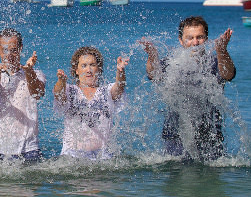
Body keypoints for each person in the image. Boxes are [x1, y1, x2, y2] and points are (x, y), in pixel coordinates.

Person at [140, 16, 235, 161]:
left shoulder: (215, 62)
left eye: (200, 37)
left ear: (207, 39)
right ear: (181, 40)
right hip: (175, 135)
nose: (195, 42)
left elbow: (228, 74)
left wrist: (221, 50)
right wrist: (152, 55)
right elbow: (153, 75)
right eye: (189, 38)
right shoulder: (173, 62)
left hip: (209, 135)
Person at [53, 46, 129, 159]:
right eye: (84, 66)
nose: (88, 70)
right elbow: (58, 94)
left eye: (92, 65)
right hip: (73, 156)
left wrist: (120, 71)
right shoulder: (70, 90)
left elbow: (119, 88)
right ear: (77, 70)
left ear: (98, 69)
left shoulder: (106, 91)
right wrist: (61, 81)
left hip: (103, 156)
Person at [0, 28, 46, 161]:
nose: (9, 54)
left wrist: (29, 71)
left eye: (13, 50)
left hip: (28, 148)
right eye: (5, 50)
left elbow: (37, 93)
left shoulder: (36, 74)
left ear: (20, 48)